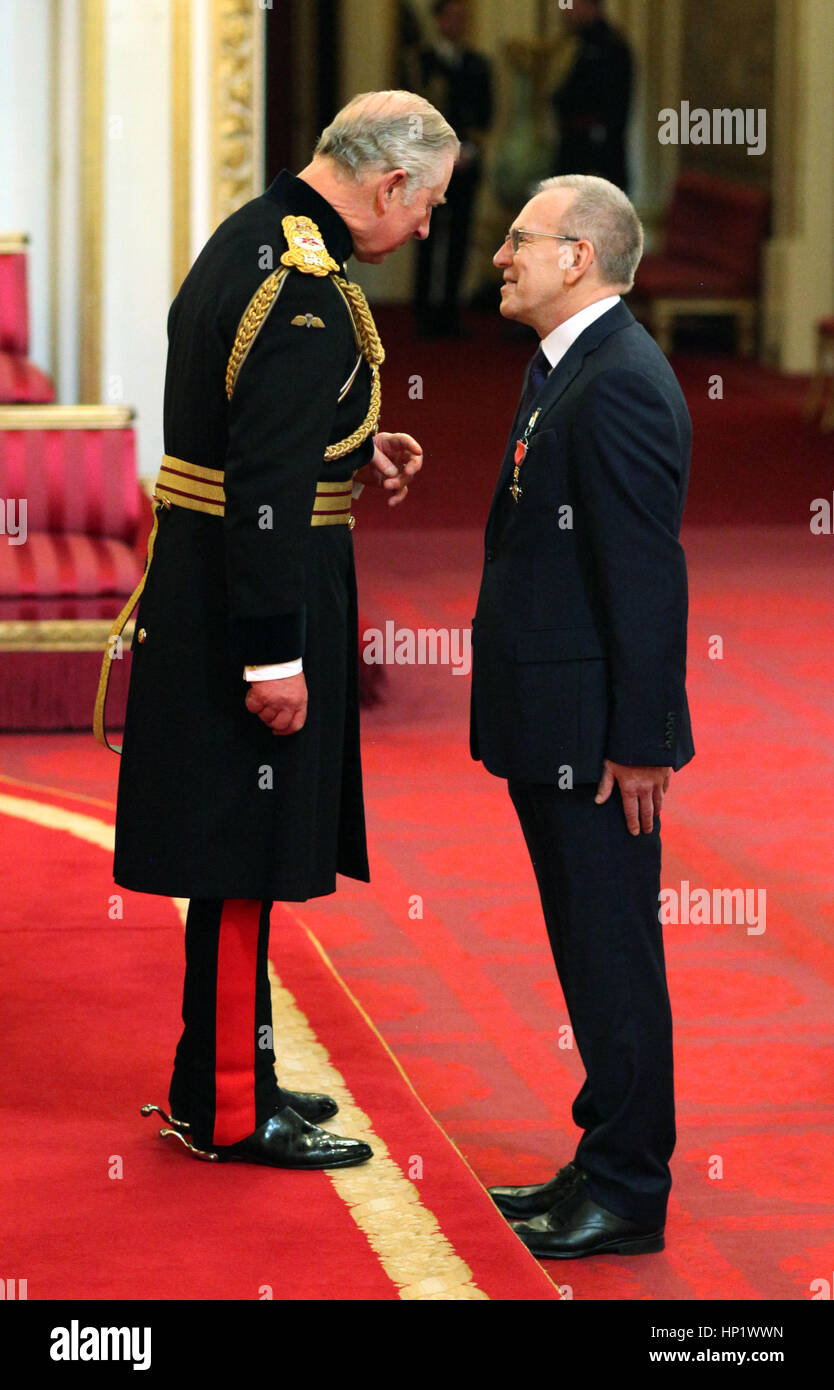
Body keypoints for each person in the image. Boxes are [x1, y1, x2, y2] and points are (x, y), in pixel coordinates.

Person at [98, 91, 458, 1170]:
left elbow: (254, 425)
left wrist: (347, 445)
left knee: (238, 857)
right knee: (243, 858)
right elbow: (259, 479)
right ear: (389, 183)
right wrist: (275, 654)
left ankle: (229, 1068)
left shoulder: (265, 233)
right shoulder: (304, 285)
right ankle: (226, 1107)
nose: (428, 228)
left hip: (212, 577)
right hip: (244, 601)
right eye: (429, 204)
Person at [471, 174, 694, 1256]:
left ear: (579, 259)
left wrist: (640, 744)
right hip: (555, 719)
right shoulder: (567, 363)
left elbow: (647, 576)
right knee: (587, 945)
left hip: (600, 744)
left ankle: (628, 1187)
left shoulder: (621, 385)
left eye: (521, 239)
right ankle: (599, 1157)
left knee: (611, 951)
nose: (500, 254)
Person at [413, 0, 493, 336]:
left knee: (459, 238)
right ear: (437, 19)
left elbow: (485, 115)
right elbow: (410, 114)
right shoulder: (419, 61)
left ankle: (449, 314)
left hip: (465, 165)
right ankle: (423, 315)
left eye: (463, 17)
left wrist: (467, 151)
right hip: (428, 166)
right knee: (425, 236)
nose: (457, 23)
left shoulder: (478, 64)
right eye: (451, 16)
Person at [553, 0, 633, 191]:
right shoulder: (573, 44)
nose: (565, 10)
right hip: (572, 150)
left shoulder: (612, 47)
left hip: (597, 156)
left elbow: (614, 108)